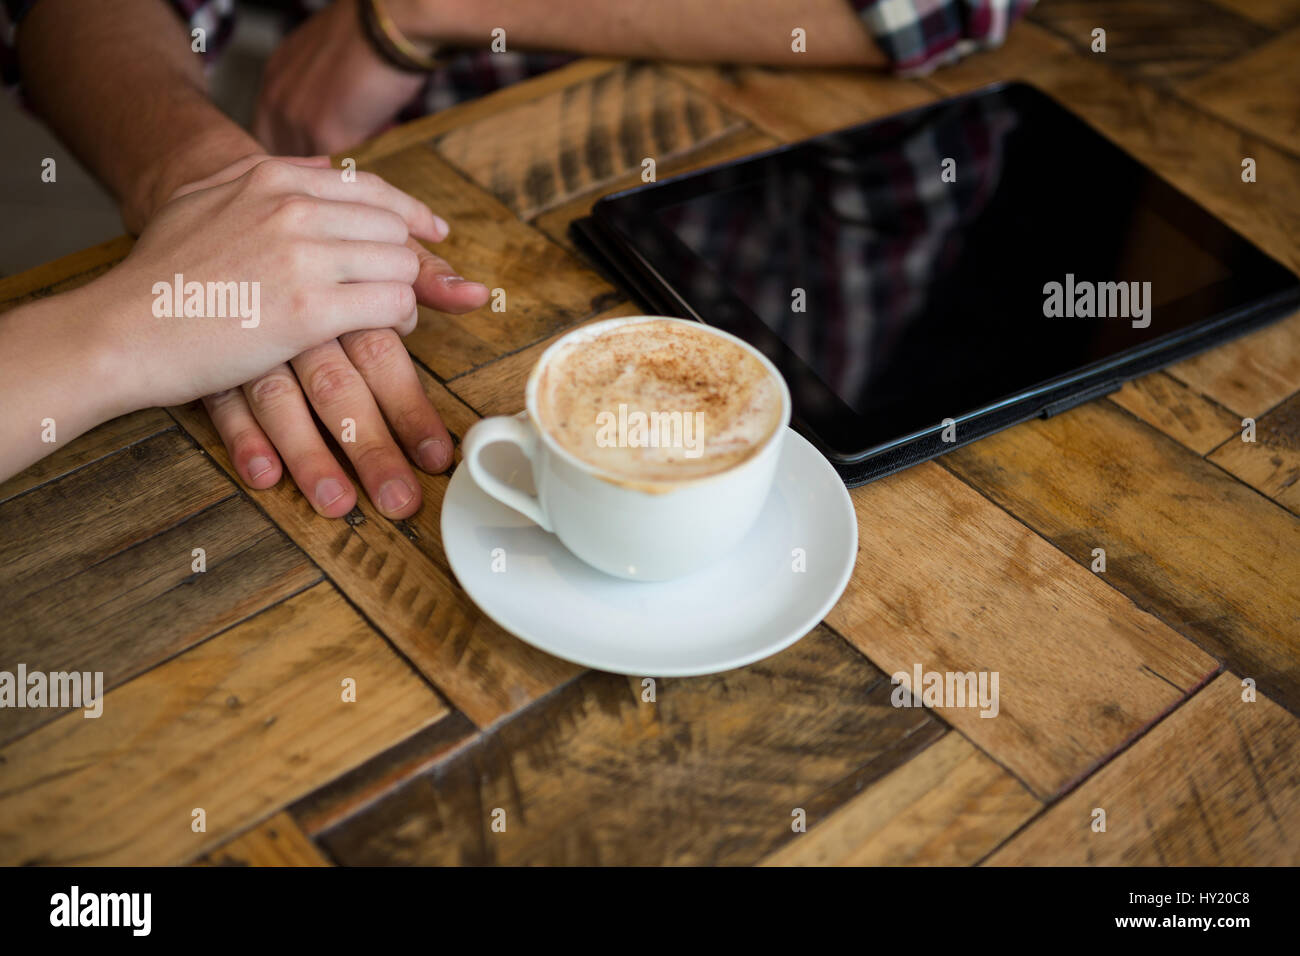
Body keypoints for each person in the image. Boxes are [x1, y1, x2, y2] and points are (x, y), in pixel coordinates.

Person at [1, 0, 1035, 512]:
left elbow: (933, 7)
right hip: (434, 196)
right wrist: (209, 195)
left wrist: (420, 7)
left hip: (836, 200)